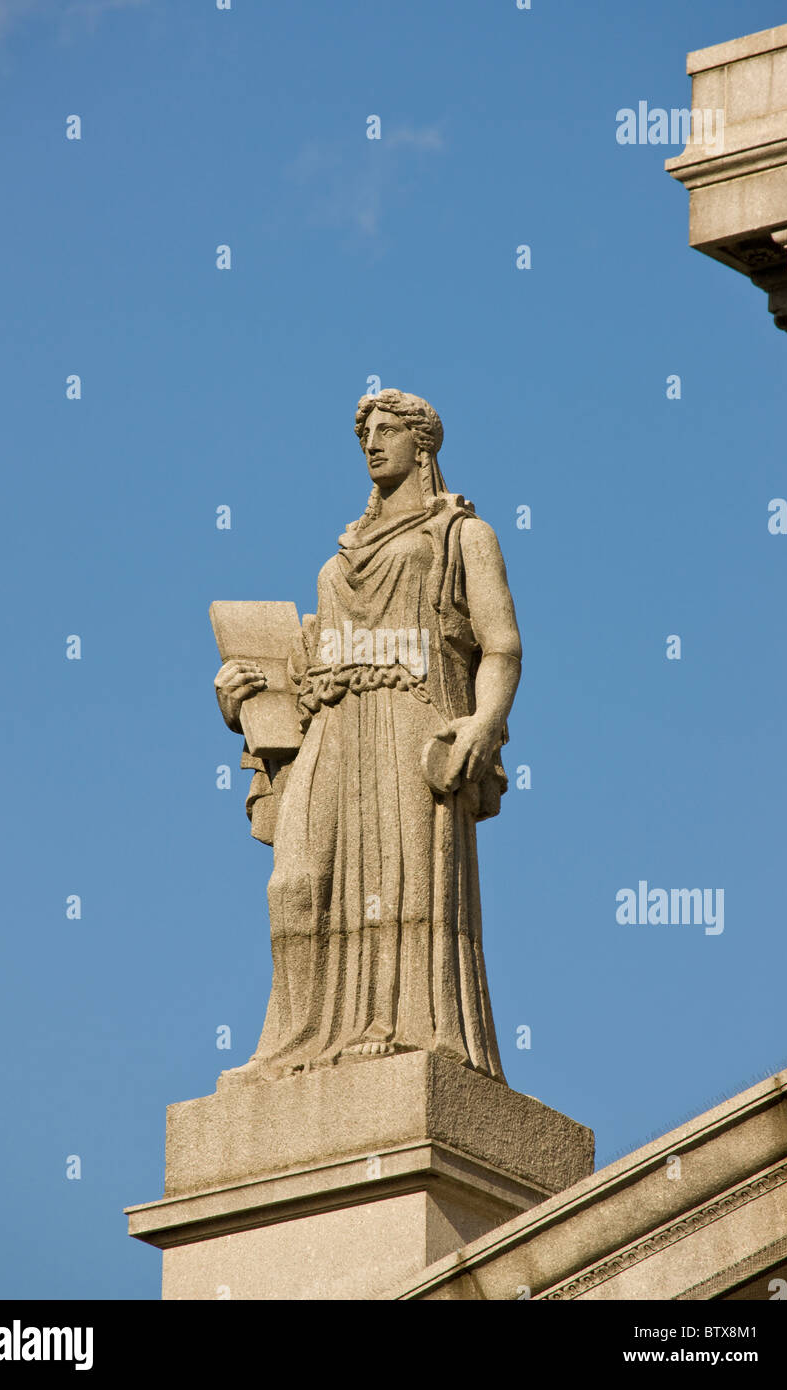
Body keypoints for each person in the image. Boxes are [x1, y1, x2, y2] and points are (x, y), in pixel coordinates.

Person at [215, 389, 521, 1081]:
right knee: (294, 882)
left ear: (423, 444)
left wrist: (483, 722)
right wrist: (245, 695)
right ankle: (293, 1040)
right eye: (366, 436)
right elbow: (309, 659)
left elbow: (501, 646)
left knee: (403, 879)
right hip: (333, 723)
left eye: (388, 431)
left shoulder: (461, 535)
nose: (373, 444)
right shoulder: (345, 547)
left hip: (412, 717)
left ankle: (405, 1024)